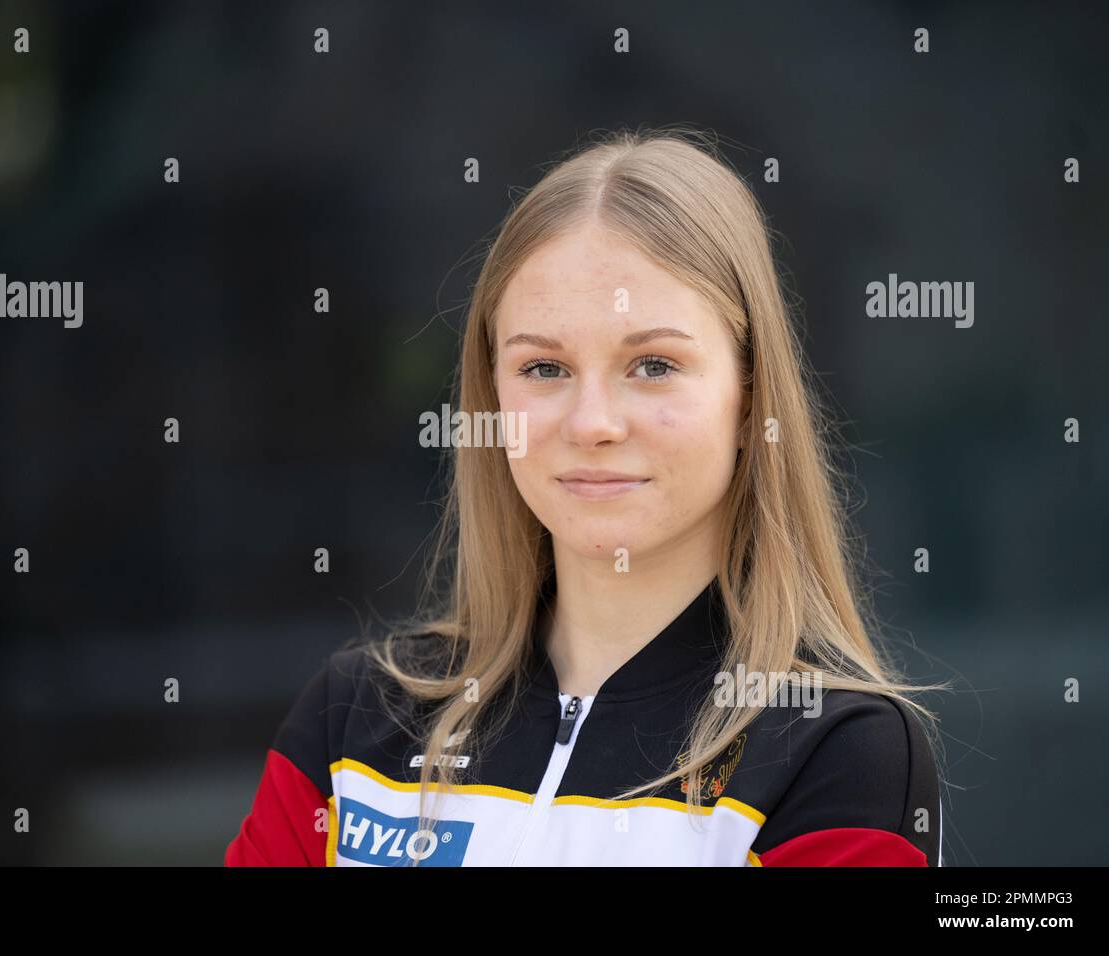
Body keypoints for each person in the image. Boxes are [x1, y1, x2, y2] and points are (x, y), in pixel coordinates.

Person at [225, 126, 949, 867]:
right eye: (543, 369)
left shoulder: (836, 752)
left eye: (654, 364)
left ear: (749, 397)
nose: (593, 423)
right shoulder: (353, 723)